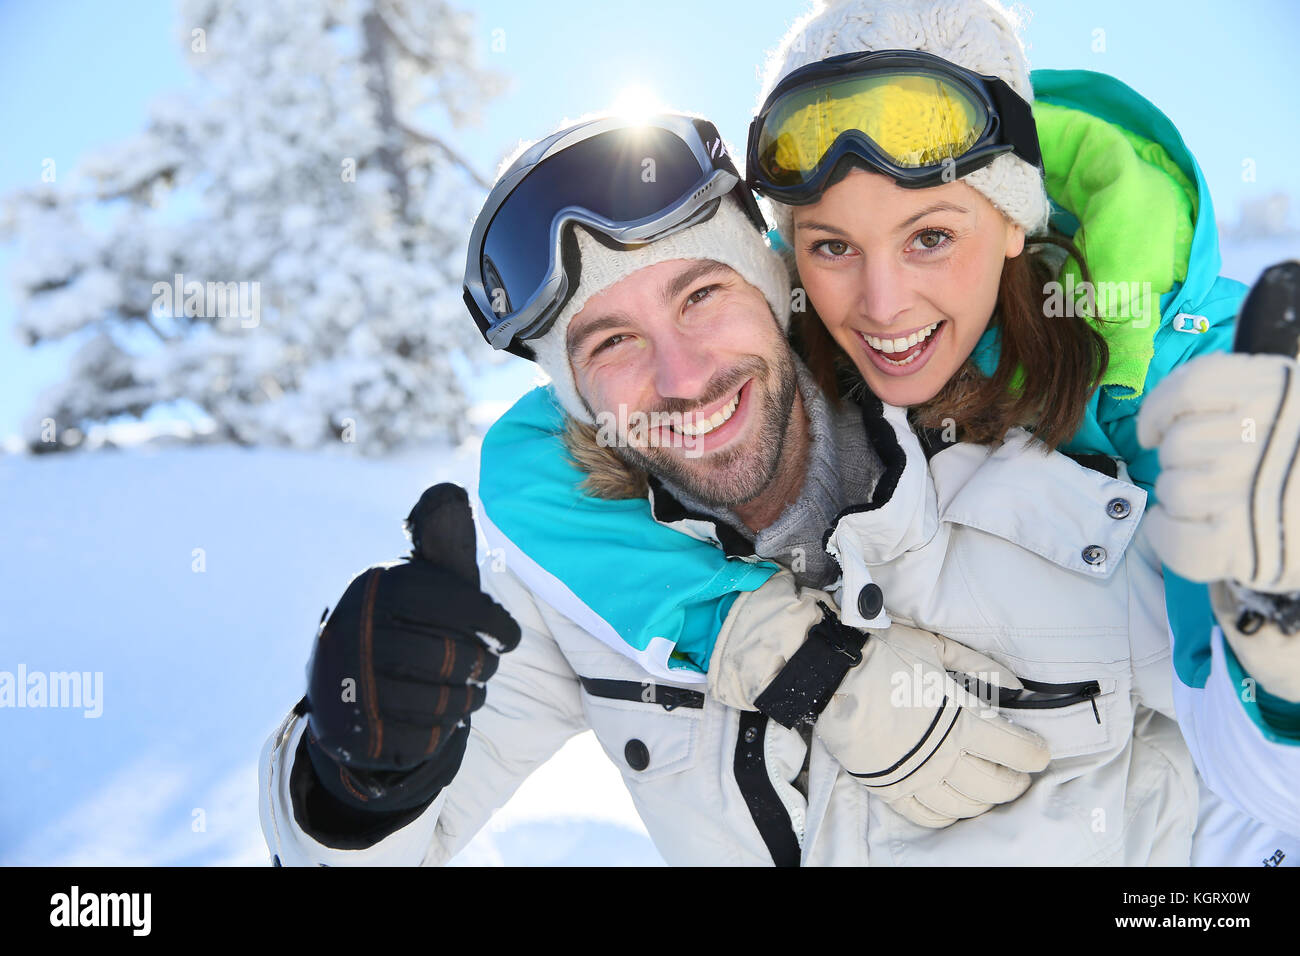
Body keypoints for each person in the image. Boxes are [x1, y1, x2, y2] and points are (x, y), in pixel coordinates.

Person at [260, 112, 1286, 866]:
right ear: (572, 397)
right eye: (611, 343)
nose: (681, 374)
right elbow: (366, 854)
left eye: (701, 294)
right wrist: (352, 782)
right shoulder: (570, 588)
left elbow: (1264, 790)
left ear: (775, 283)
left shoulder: (1049, 481)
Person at [469, 0, 1300, 846]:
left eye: (931, 237)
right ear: (787, 264)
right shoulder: (615, 511)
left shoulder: (1134, 418)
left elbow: (1247, 779)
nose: (883, 304)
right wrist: (780, 654)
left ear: (1016, 217)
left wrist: (1281, 659)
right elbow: (528, 458)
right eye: (831, 247)